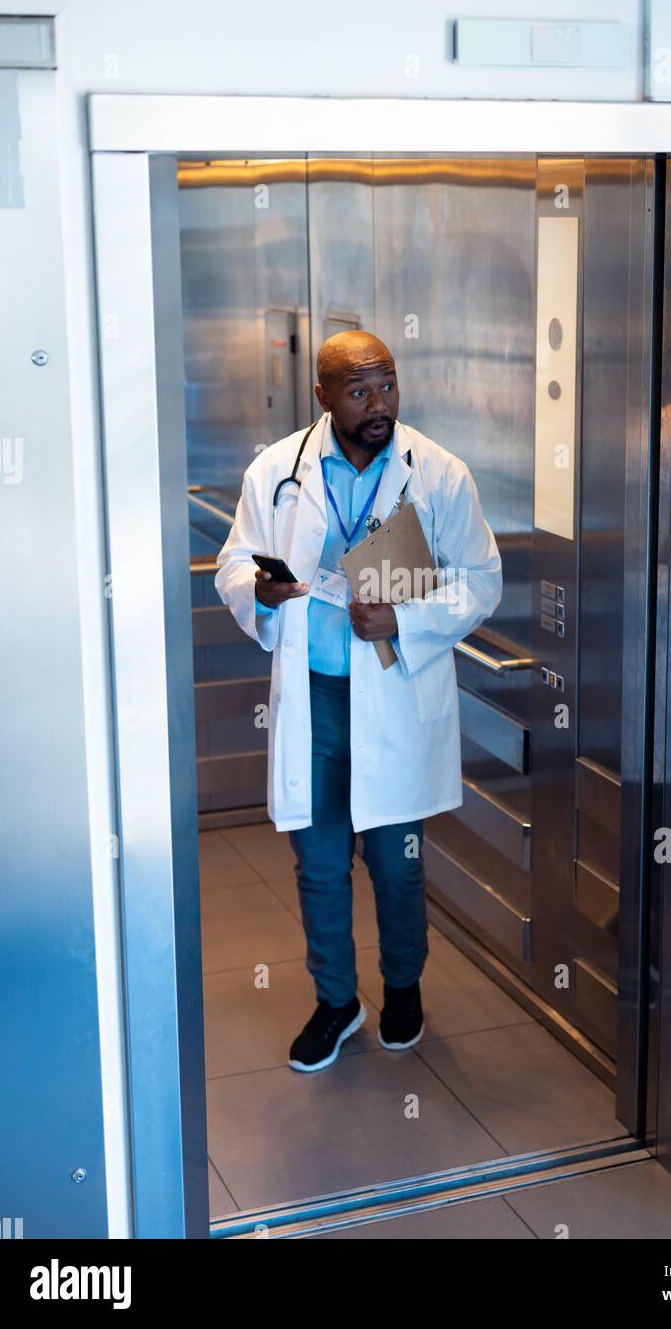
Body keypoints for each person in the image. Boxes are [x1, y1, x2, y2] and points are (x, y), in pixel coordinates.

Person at [215, 330, 502, 1072]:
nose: (378, 405)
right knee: (316, 864)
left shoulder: (437, 472)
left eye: (387, 385)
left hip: (393, 696)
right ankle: (336, 1003)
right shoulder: (276, 470)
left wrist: (403, 620)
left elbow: (480, 578)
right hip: (313, 703)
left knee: (397, 863)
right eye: (358, 390)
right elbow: (234, 562)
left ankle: (401, 988)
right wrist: (262, 593)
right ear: (323, 395)